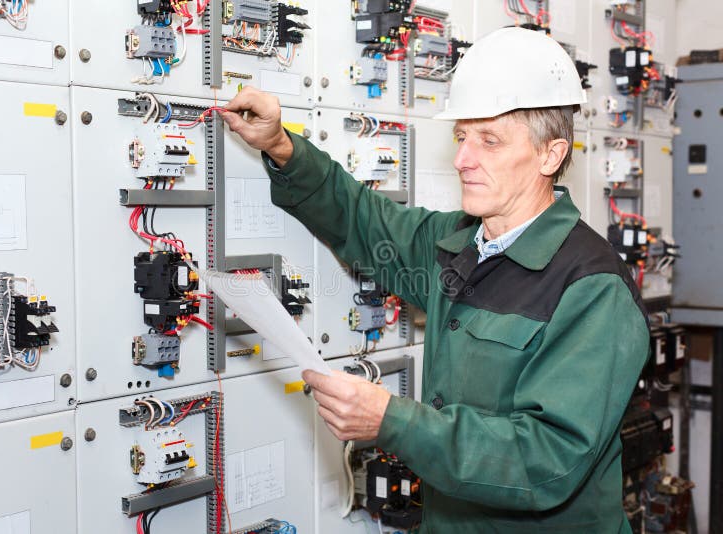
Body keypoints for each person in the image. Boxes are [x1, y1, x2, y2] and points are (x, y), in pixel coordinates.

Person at [222, 27, 649, 533]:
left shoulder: (592, 287)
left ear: (550, 156)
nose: (464, 160)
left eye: (489, 141)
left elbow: (547, 459)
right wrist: (280, 145)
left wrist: (392, 421)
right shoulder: (457, 243)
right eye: (462, 137)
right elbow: (363, 219)